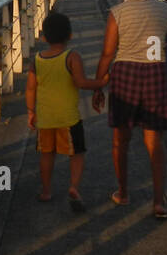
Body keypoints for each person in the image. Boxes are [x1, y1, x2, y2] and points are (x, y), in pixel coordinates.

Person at [96, 0, 167, 218]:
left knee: (120, 141)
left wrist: (99, 83)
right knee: (154, 143)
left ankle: (123, 193)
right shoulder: (164, 10)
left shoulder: (118, 13)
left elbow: (108, 53)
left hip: (125, 77)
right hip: (156, 76)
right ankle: (158, 203)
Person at [26, 11, 107, 210]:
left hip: (45, 119)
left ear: (44, 37)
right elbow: (80, 82)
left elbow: (30, 88)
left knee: (47, 154)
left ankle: (46, 191)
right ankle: (73, 187)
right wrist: (101, 83)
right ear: (70, 35)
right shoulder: (72, 57)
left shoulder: (36, 59)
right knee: (77, 153)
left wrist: (31, 111)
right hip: (69, 119)